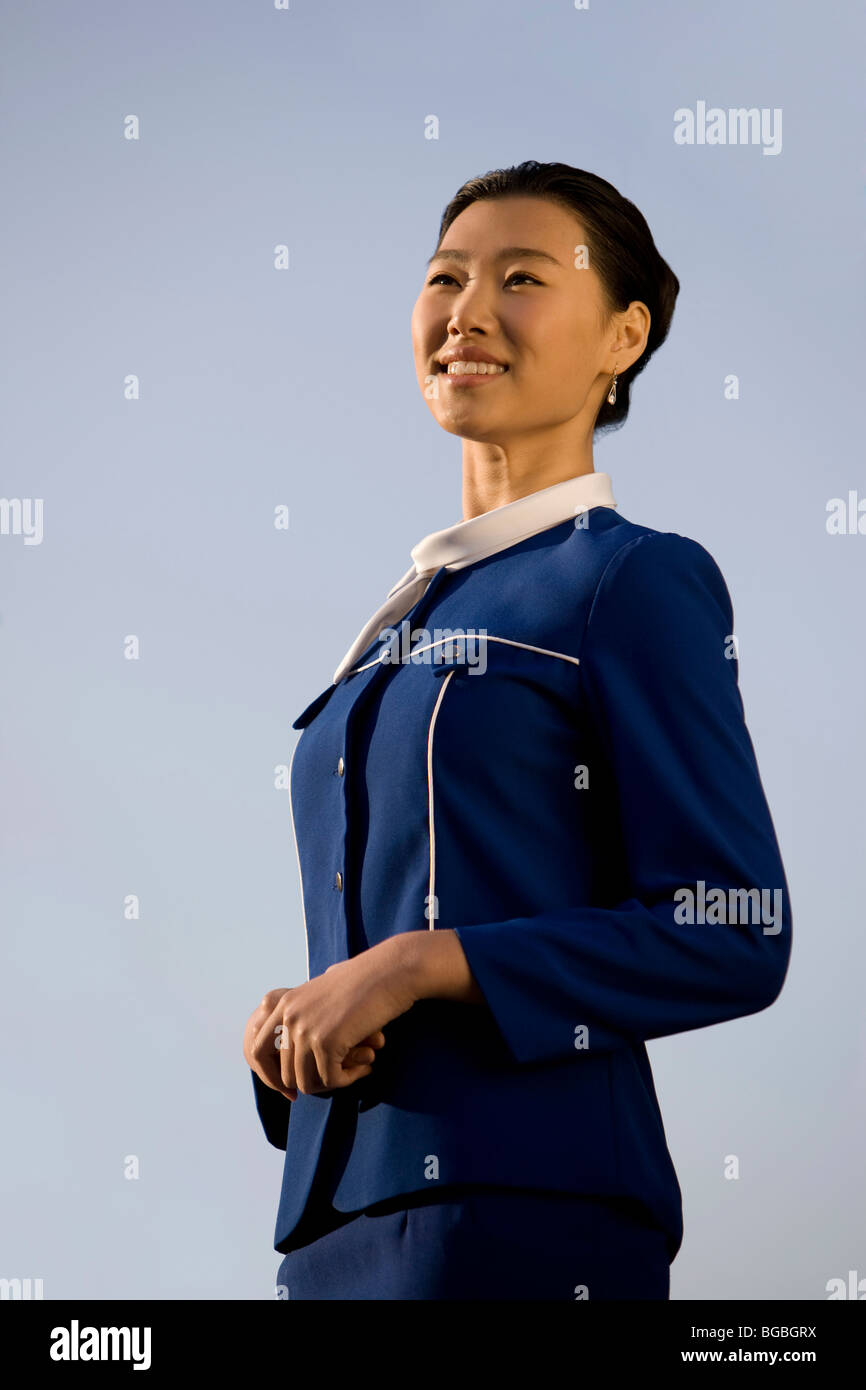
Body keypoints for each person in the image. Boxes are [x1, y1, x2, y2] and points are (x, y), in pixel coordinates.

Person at [243, 159, 792, 1301]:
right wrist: (302, 1030)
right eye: (444, 277)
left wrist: (418, 964)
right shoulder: (393, 628)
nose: (467, 311)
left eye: (523, 278)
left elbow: (730, 927)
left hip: (520, 1217)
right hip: (330, 1230)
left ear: (620, 337)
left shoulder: (628, 580)